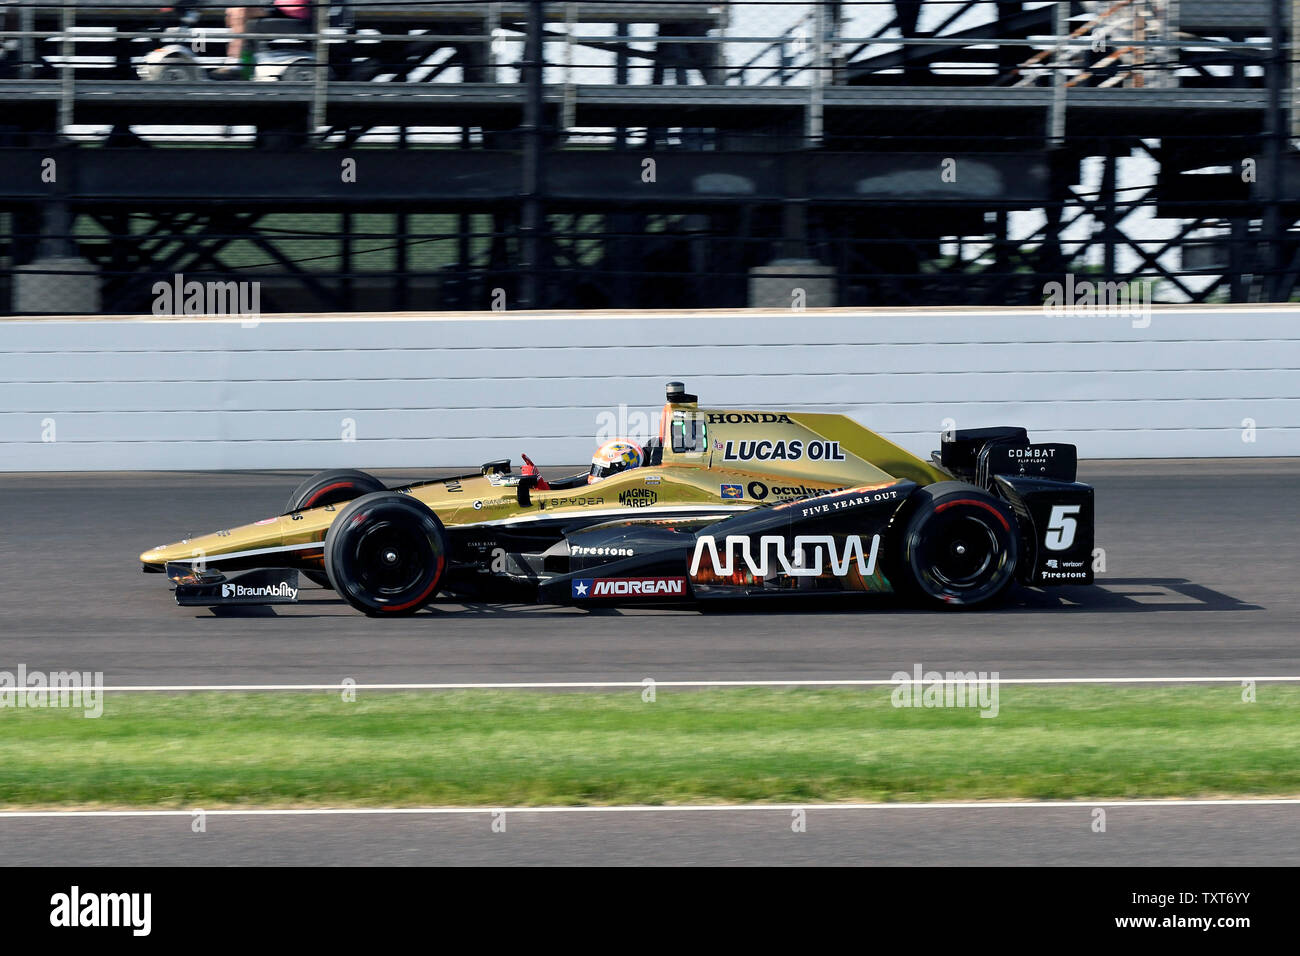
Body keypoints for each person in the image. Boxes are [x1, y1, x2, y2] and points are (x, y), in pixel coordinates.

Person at [218, 0, 312, 76]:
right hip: (278, 8)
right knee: (233, 11)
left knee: (240, 11)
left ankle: (236, 61)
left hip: (293, 11)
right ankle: (238, 59)